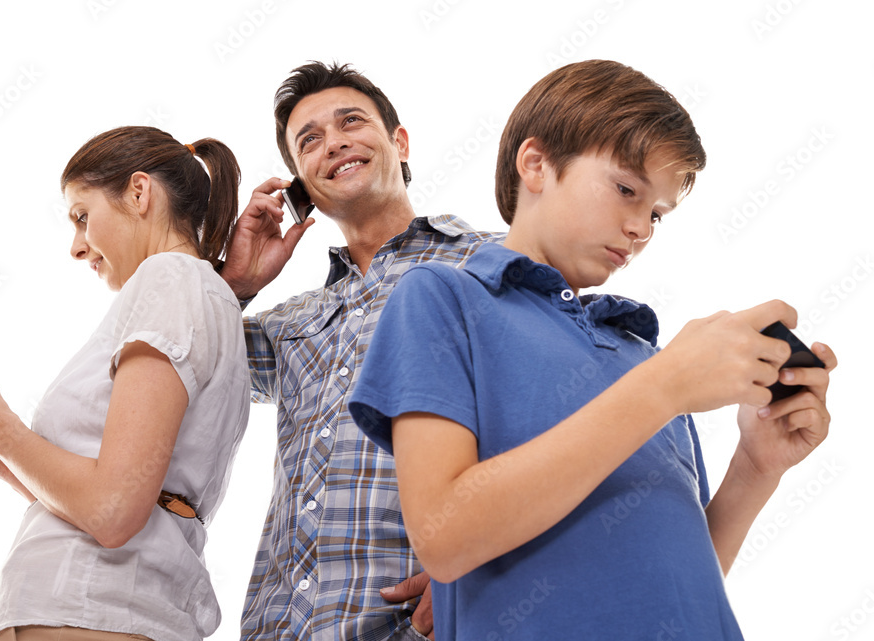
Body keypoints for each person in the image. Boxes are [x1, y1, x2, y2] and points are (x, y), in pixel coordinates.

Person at [348, 59, 837, 640]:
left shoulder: (642, 355)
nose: (642, 229)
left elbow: (682, 571)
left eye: (657, 212)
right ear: (535, 164)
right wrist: (667, 387)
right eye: (626, 189)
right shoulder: (444, 298)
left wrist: (756, 467)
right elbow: (445, 538)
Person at [0, 126, 251, 641]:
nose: (76, 247)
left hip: (92, 609)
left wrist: (1, 430)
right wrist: (3, 455)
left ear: (139, 193)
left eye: (81, 216)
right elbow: (126, 495)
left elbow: (113, 512)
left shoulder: (171, 279)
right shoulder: (195, 292)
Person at [218, 61, 503, 640]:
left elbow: (573, 422)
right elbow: (185, 357)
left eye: (351, 121)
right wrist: (238, 284)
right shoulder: (292, 322)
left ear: (399, 143)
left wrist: (482, 559)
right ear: (302, 187)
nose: (335, 142)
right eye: (311, 141)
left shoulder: (494, 264)